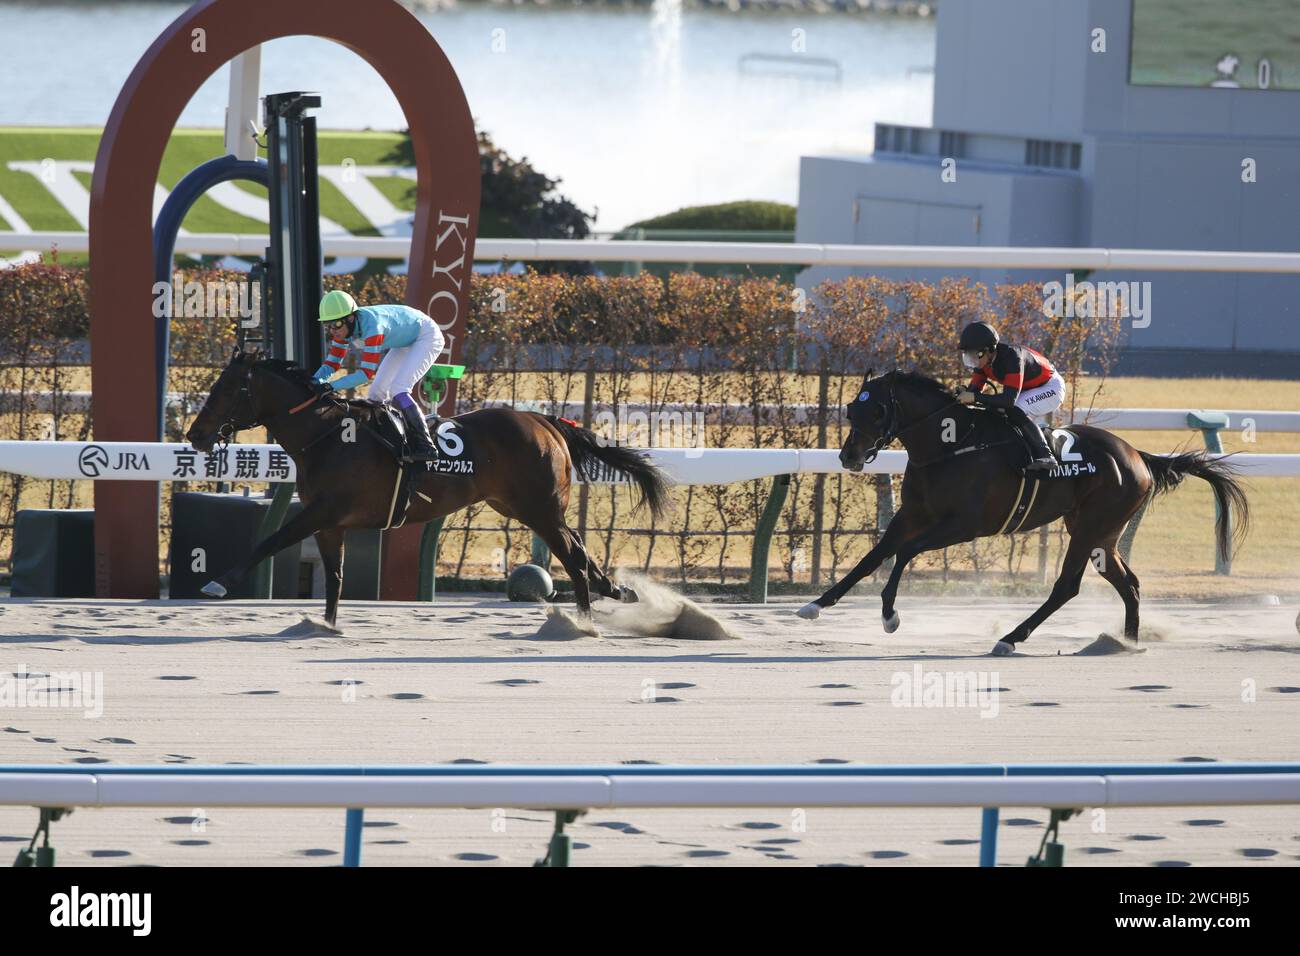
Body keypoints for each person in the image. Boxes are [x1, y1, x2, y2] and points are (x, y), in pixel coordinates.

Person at [311, 290, 443, 462]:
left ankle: (426, 446)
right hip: (404, 342)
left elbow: (365, 374)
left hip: (426, 336)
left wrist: (330, 386)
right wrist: (314, 381)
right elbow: (332, 365)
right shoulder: (344, 330)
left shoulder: (373, 327)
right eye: (328, 325)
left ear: (350, 318)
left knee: (398, 389)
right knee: (376, 393)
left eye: (335, 324)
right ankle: (389, 440)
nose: (332, 330)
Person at [956, 321, 1066, 471]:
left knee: (1016, 408)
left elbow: (1008, 401)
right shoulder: (983, 362)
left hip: (1051, 387)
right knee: (996, 410)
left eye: (975, 354)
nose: (972, 360)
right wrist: (963, 392)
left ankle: (1046, 455)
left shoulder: (1013, 358)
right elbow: (974, 391)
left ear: (989, 350)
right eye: (968, 355)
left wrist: (974, 398)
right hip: (1029, 389)